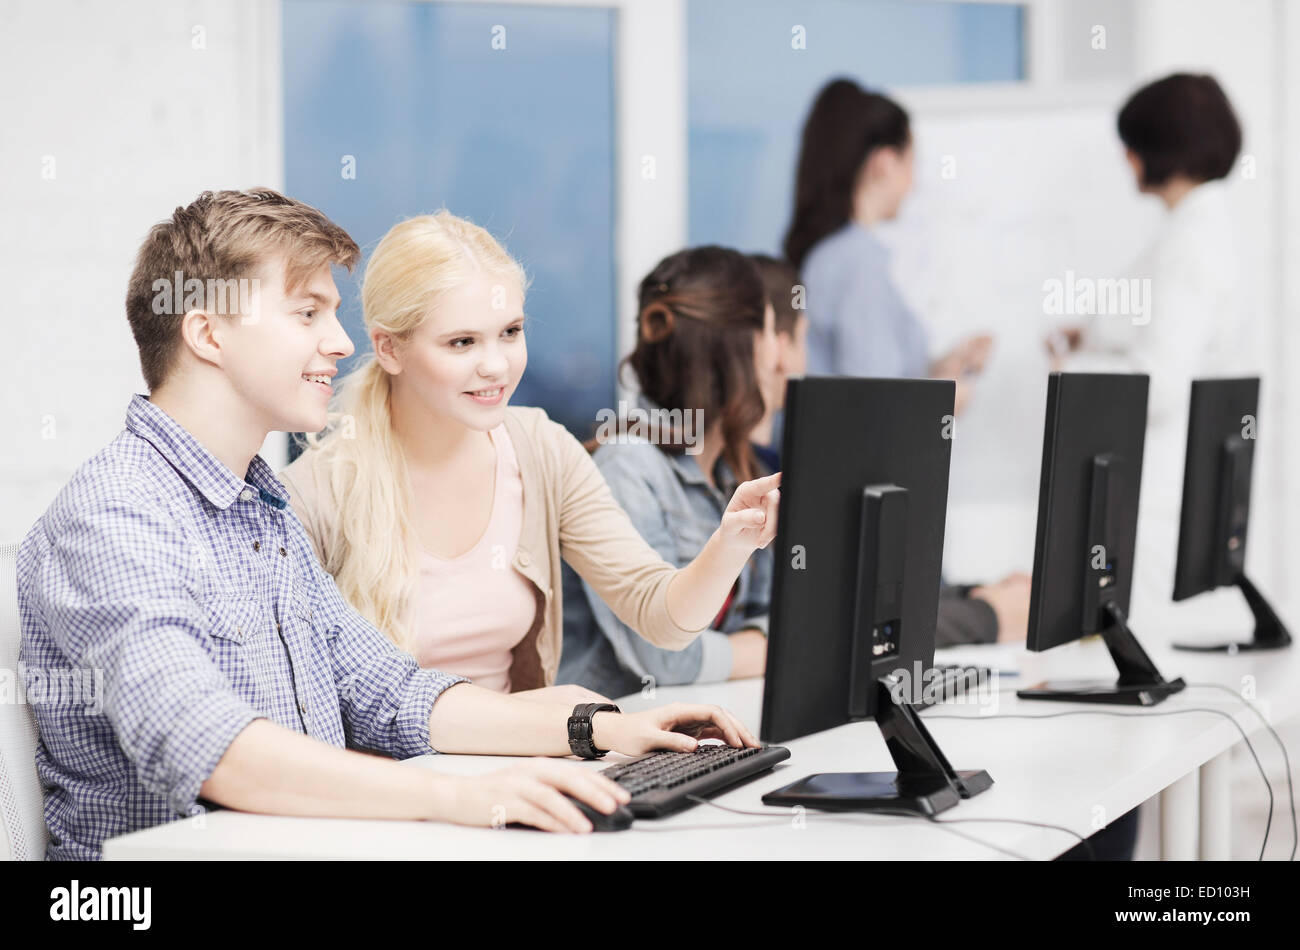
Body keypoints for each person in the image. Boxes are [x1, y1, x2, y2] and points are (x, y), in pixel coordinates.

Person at [16, 189, 761, 859]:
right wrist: (456, 798)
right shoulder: (115, 518)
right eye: (307, 313)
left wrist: (592, 729)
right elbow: (212, 749)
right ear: (208, 335)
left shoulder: (256, 506)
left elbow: (393, 693)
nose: (342, 345)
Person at [281, 212, 782, 701]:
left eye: (511, 332)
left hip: (519, 768)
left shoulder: (542, 449)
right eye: (462, 342)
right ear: (389, 349)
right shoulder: (315, 493)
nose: (496, 366)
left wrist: (730, 544)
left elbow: (661, 620)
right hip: (398, 780)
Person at [1046, 72, 1249, 613]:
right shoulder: (1193, 228)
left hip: (1156, 498)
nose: (1124, 158)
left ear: (1156, 150)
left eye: (1131, 144)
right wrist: (1091, 336)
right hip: (1160, 491)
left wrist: (1072, 367)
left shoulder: (1190, 243)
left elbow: (1157, 384)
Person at [558, 248, 780, 698]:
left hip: (704, 714)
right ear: (745, 349)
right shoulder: (627, 467)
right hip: (614, 738)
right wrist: (765, 651)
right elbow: (666, 660)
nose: (782, 360)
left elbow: (770, 608)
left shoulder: (732, 470)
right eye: (774, 332)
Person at [784, 78, 993, 415]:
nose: (914, 182)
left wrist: (941, 367)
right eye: (911, 163)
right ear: (883, 162)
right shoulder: (858, 263)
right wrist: (947, 402)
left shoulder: (833, 255)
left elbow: (868, 381)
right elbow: (873, 410)